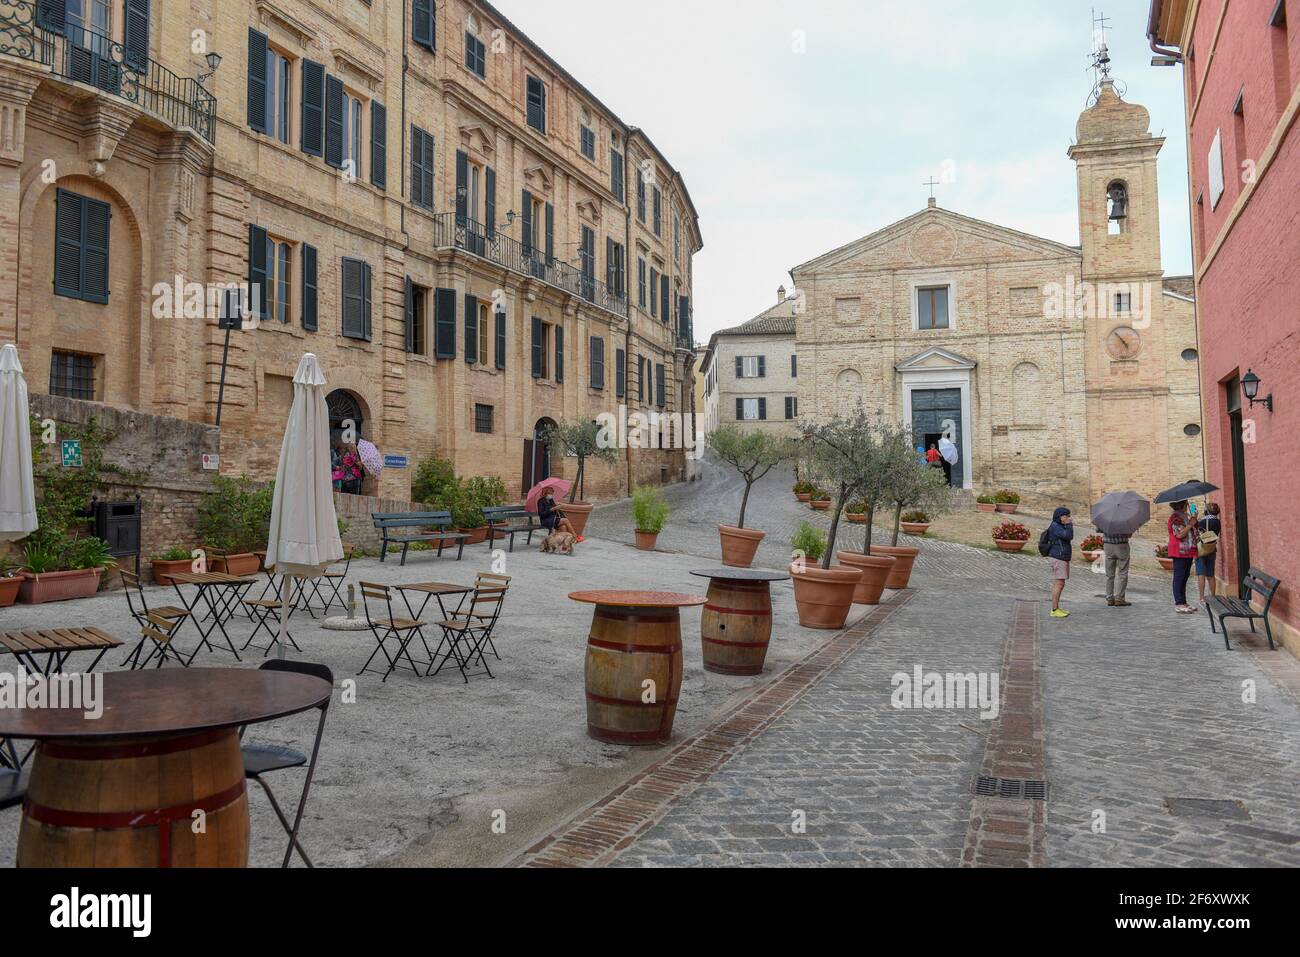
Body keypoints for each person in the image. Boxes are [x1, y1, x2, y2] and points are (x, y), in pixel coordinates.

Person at [1167, 500, 1198, 614]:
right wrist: (1190, 524)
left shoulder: (1184, 516)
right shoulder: (1176, 518)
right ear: (1182, 505)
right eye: (1187, 504)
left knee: (1185, 576)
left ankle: (1183, 602)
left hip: (1187, 551)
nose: (1188, 505)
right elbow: (1179, 534)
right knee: (1179, 576)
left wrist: (1194, 520)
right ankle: (1179, 603)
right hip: (1179, 551)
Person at [1046, 507, 1074, 619]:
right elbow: (1069, 536)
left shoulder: (1058, 525)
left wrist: (1067, 524)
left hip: (1061, 556)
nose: (1068, 518)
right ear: (1061, 517)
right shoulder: (1056, 526)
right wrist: (1069, 525)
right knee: (1059, 583)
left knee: (1060, 583)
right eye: (1066, 516)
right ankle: (1054, 609)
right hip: (1058, 556)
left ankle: (1056, 607)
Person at [1196, 502, 1222, 605]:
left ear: (1207, 511)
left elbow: (1197, 533)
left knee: (1201, 574)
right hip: (1212, 549)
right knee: (1211, 574)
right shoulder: (1217, 522)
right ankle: (1213, 596)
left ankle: (1202, 597)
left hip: (1202, 549)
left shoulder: (1202, 521)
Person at [1103, 527, 1132, 608]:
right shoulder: (1124, 518)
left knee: (1109, 574)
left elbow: (1099, 529)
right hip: (1121, 545)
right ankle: (1119, 598)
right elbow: (1129, 534)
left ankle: (1109, 598)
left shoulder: (1105, 516)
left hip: (1108, 545)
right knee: (1123, 573)